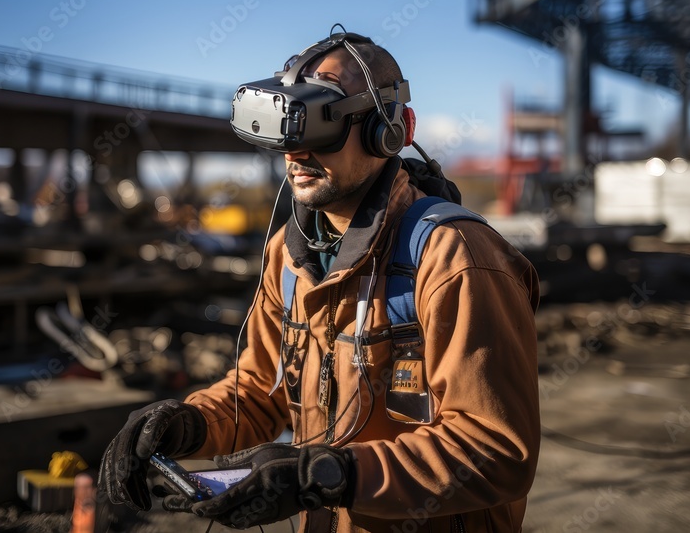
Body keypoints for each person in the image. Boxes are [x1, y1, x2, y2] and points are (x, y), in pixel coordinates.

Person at [101, 30, 541, 532]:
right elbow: (262, 391)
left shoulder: (454, 257)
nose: (295, 152)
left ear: (387, 130)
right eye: (287, 128)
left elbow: (496, 448)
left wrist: (331, 475)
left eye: (319, 125)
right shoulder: (287, 256)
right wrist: (188, 424)